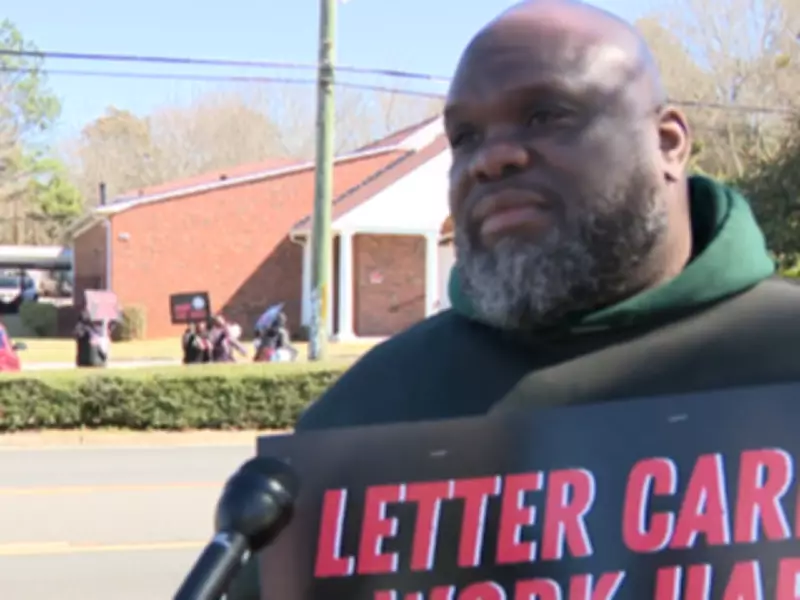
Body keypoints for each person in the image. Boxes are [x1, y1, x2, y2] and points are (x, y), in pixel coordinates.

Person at [224, 1, 800, 597]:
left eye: (546, 115)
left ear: (669, 143)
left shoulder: (784, 353)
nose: (490, 159)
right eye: (465, 137)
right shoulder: (366, 410)